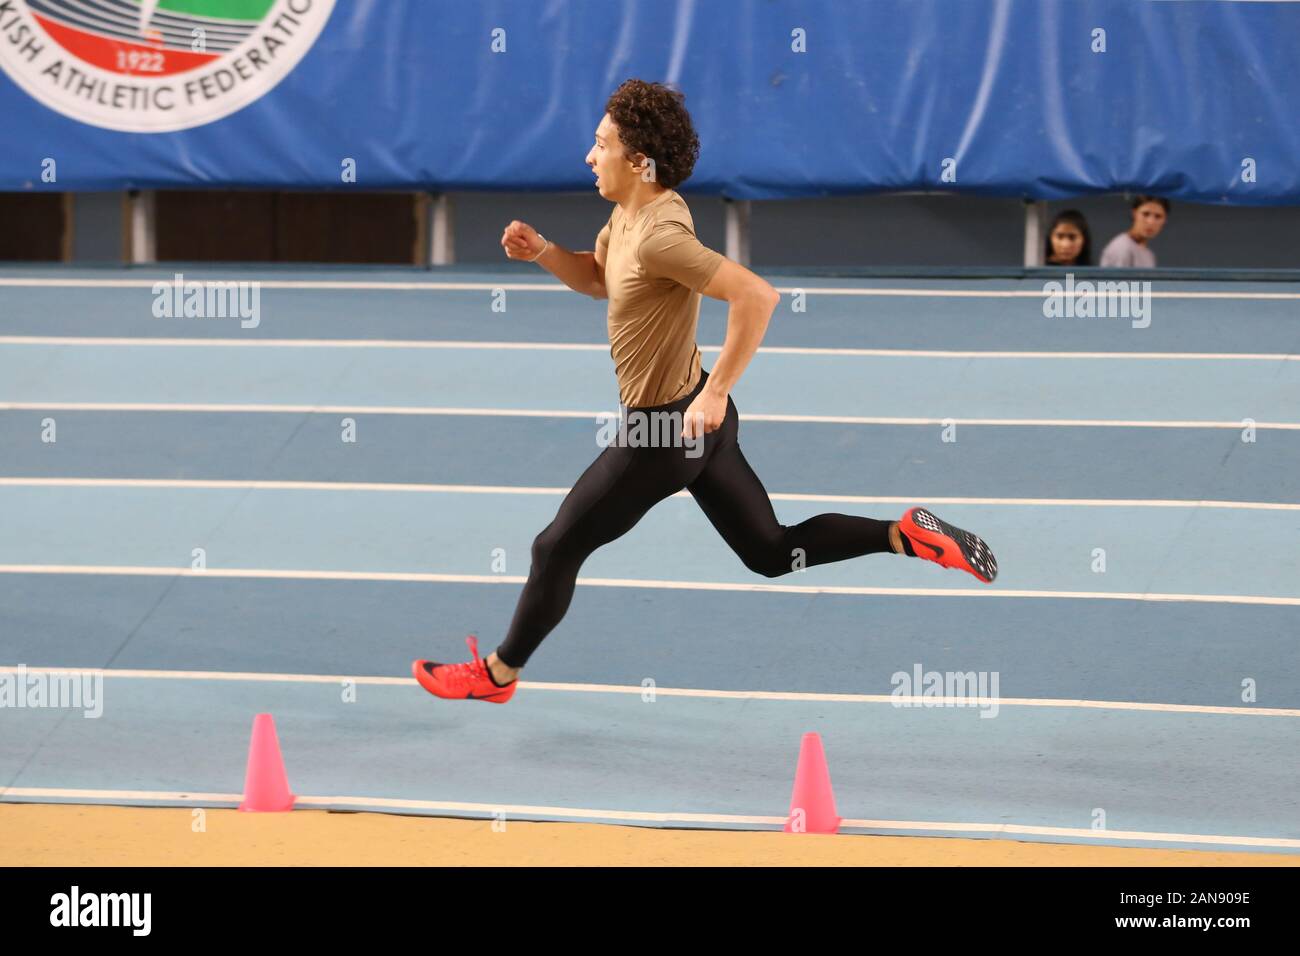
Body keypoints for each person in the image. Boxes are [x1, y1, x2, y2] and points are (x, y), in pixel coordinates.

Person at [413, 79, 998, 704]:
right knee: (771, 551)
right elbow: (600, 279)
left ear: (638, 161)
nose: (590, 155)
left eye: (600, 143)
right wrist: (546, 253)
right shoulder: (636, 211)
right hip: (703, 433)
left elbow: (757, 295)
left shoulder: (662, 236)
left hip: (664, 433)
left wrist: (716, 389)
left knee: (554, 548)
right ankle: (904, 534)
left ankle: (498, 676)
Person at [1099, 196, 1169, 267]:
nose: (1150, 222)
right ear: (1134, 213)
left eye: (1158, 216)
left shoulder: (1149, 254)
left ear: (1165, 220)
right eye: (1145, 214)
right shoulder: (1122, 247)